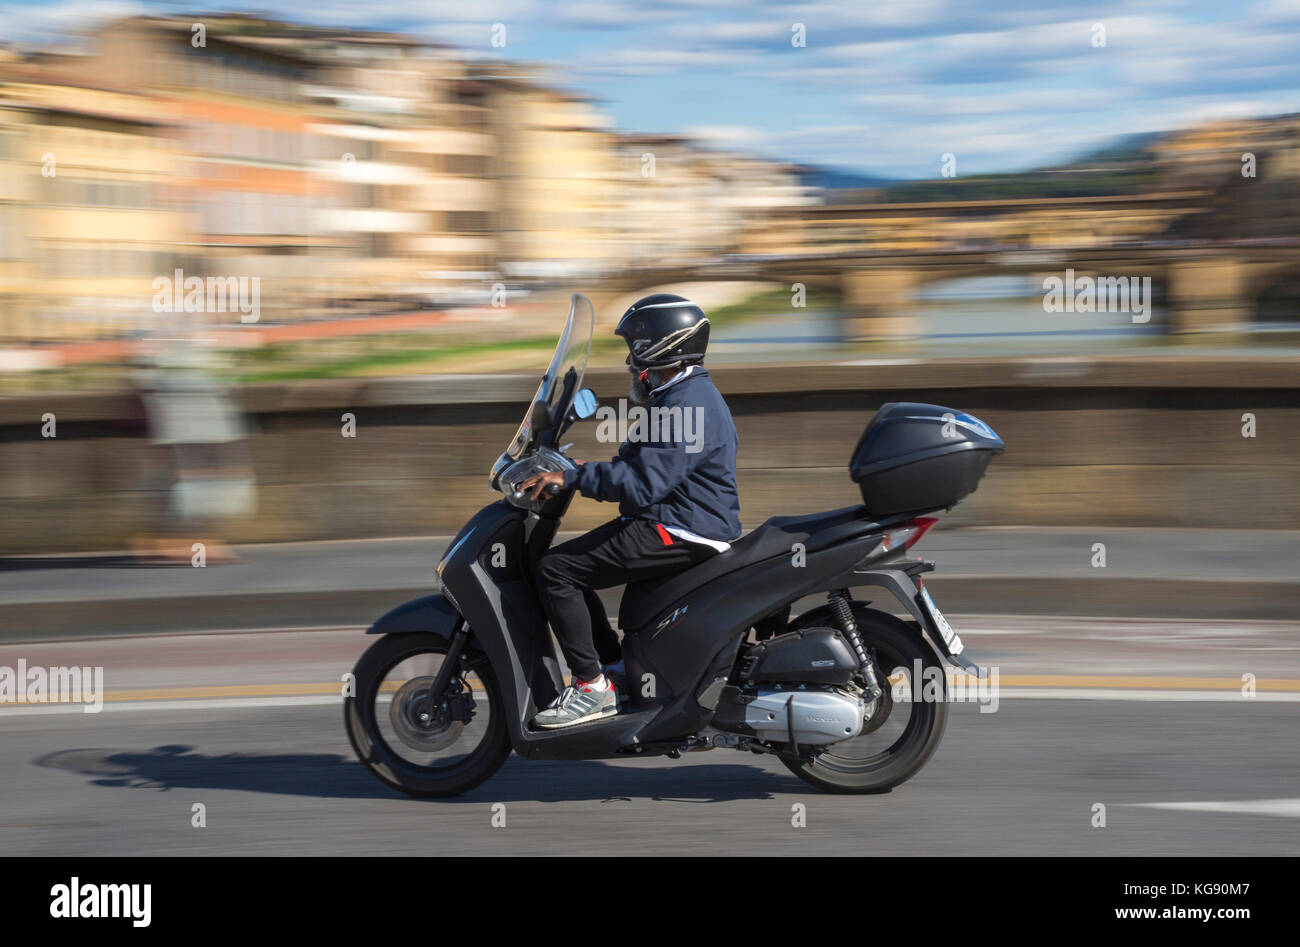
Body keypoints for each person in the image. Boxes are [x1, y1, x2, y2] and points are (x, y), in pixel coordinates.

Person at [517, 293, 741, 729]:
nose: (628, 360)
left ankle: (591, 687)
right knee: (572, 567)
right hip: (677, 519)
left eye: (633, 348)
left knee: (557, 571)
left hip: (681, 528)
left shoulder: (685, 405)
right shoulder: (682, 394)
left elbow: (644, 482)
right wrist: (577, 469)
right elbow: (643, 468)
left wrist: (575, 478)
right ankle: (613, 670)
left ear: (656, 348)